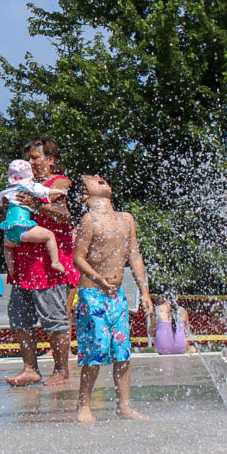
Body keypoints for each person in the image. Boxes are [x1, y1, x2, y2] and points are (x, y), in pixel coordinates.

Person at [70, 173, 151, 423]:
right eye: (91, 180)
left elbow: (135, 257)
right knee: (95, 349)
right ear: (85, 196)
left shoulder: (126, 219)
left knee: (122, 351)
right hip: (92, 294)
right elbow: (78, 258)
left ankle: (124, 406)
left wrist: (145, 292)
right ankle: (83, 404)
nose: (99, 177)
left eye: (100, 177)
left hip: (116, 295)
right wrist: (97, 277)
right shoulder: (89, 219)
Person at [4, 137, 77, 389]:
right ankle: (30, 368)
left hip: (48, 264)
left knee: (54, 318)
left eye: (35, 157)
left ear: (51, 160)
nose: (31, 162)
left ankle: (61, 369)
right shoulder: (24, 184)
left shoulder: (61, 183)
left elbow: (68, 217)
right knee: (19, 317)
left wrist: (37, 205)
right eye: (29, 158)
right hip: (24, 261)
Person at [0, 159, 64, 273]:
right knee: (49, 236)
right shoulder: (29, 186)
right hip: (23, 228)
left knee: (7, 247)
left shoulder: (5, 192)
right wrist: (60, 191)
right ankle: (55, 261)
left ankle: (11, 269)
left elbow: (4, 203)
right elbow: (45, 191)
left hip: (9, 232)